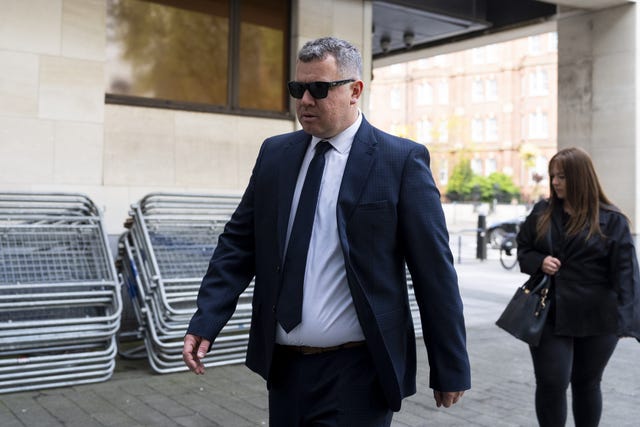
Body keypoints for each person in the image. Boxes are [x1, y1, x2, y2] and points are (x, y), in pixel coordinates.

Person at [182, 36, 470, 426]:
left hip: (358, 374)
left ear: (355, 91)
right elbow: (239, 243)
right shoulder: (275, 154)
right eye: (297, 89)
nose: (304, 100)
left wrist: (449, 364)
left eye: (318, 89)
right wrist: (206, 319)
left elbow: (434, 271)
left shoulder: (399, 161)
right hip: (283, 372)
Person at [516, 147, 640, 427]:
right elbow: (522, 248)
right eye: (553, 176)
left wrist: (626, 321)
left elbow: (627, 274)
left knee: (587, 383)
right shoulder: (542, 212)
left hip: (598, 317)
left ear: (581, 177)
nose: (556, 182)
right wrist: (539, 261)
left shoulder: (612, 219)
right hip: (550, 313)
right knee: (551, 382)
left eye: (562, 176)